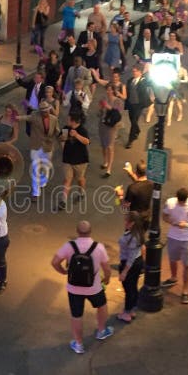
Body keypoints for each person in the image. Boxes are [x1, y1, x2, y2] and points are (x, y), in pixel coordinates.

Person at [51, 220, 113, 354]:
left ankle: (78, 344)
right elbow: (107, 269)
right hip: (94, 287)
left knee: (76, 315)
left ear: (77, 232)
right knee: (102, 306)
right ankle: (101, 330)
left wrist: (63, 271)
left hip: (74, 288)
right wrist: (106, 279)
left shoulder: (69, 246)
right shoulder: (99, 247)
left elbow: (55, 262)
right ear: (90, 232)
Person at [162, 187, 188, 305]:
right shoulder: (170, 203)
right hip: (173, 236)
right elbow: (164, 216)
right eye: (179, 201)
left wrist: (187, 224)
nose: (181, 204)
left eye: (183, 202)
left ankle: (185, 290)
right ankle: (173, 277)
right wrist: (173, 222)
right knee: (172, 259)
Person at [19, 99, 61, 198]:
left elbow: (57, 131)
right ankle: (35, 192)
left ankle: (43, 181)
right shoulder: (34, 116)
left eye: (46, 110)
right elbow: (25, 117)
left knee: (45, 167)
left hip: (48, 146)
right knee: (35, 168)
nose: (45, 112)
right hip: (36, 147)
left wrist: (62, 137)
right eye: (43, 111)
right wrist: (15, 117)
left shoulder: (54, 119)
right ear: (40, 111)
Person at [116, 212, 146, 323]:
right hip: (137, 262)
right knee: (133, 287)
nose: (124, 222)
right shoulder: (138, 233)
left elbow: (131, 257)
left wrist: (124, 271)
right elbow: (143, 248)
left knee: (129, 289)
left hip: (130, 264)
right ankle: (132, 308)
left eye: (126, 220)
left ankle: (126, 313)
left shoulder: (132, 237)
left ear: (131, 223)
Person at [57, 112, 90, 210]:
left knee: (80, 179)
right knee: (67, 179)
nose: (67, 120)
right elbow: (60, 138)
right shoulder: (66, 128)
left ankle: (82, 191)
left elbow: (87, 142)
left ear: (74, 121)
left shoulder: (82, 130)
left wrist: (76, 135)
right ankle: (63, 201)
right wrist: (62, 138)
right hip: (68, 159)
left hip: (80, 160)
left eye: (69, 119)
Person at [97, 84, 123, 178]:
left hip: (112, 127)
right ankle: (105, 162)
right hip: (102, 125)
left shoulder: (118, 101)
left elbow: (118, 114)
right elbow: (99, 113)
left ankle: (109, 169)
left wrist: (108, 107)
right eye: (107, 90)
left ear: (113, 90)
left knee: (110, 146)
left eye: (109, 90)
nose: (108, 92)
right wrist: (100, 109)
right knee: (103, 145)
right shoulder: (103, 99)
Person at [124, 63, 149, 149]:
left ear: (140, 72)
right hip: (131, 104)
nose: (133, 73)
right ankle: (137, 130)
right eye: (133, 71)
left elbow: (147, 87)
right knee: (132, 120)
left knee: (134, 121)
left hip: (138, 105)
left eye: (135, 71)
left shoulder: (143, 81)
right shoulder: (130, 80)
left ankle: (130, 140)